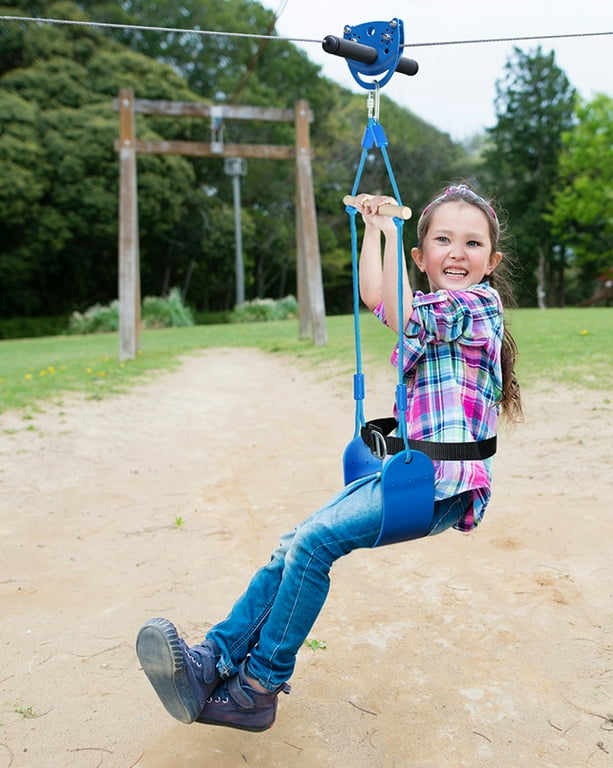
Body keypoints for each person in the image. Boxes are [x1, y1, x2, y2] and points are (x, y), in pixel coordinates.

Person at [136, 183, 523, 733]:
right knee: (293, 544)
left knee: (315, 545)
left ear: (492, 261)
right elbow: (377, 298)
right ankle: (210, 661)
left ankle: (257, 688)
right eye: (442, 239)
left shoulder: (478, 306)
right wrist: (373, 229)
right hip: (410, 477)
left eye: (472, 243)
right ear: (421, 257)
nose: (457, 252)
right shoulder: (431, 306)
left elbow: (403, 310)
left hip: (443, 486)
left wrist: (390, 230)